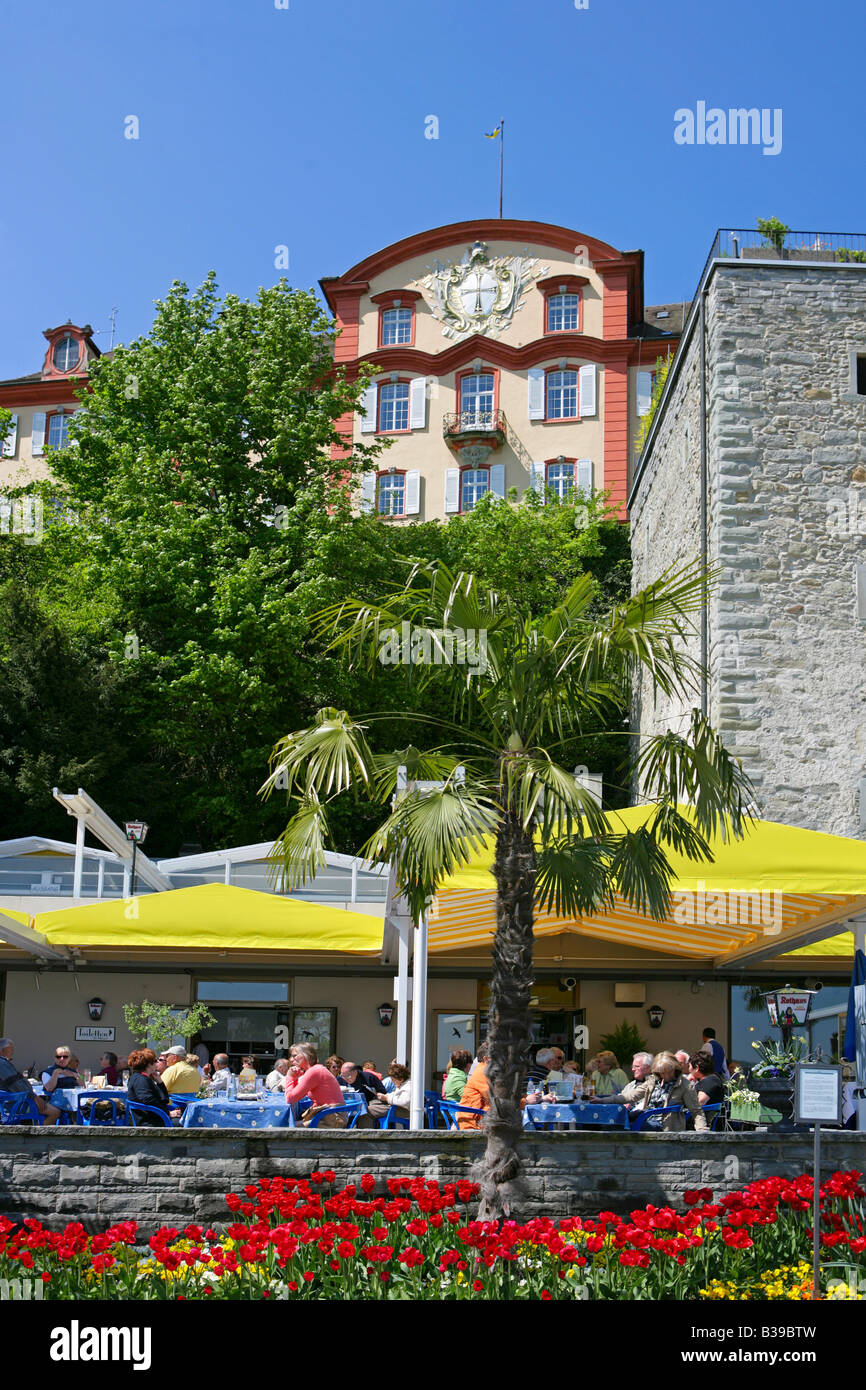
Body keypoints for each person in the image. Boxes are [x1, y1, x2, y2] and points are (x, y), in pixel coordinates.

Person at [634, 1052, 708, 1132]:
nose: (666, 1076)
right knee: (623, 1122)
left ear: (675, 1068)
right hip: (646, 1120)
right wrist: (619, 1098)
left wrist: (702, 1131)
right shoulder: (653, 1081)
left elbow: (696, 1111)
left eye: (669, 1072)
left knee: (628, 1126)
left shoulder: (684, 1085)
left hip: (664, 1126)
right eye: (662, 1073)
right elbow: (632, 1095)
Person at [284, 1043, 346, 1126]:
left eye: (294, 1055)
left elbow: (290, 1098)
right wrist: (294, 1079)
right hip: (330, 1116)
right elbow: (294, 1096)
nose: (291, 1059)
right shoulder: (316, 1069)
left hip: (332, 1120)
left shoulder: (314, 1072)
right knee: (291, 1123)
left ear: (307, 1055)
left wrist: (290, 1077)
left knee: (285, 1124)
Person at [0, 1037, 61, 1122]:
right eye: (11, 1049)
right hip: (13, 1105)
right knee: (55, 1112)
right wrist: (33, 1097)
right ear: (3, 1050)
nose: (12, 1051)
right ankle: (41, 1134)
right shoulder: (2, 1064)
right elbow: (16, 1085)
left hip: (12, 1103)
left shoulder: (4, 1063)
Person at [126, 1049, 182, 1122]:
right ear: (149, 1064)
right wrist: (168, 1113)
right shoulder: (141, 1080)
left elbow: (164, 1100)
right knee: (186, 1123)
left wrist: (160, 1082)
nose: (157, 1063)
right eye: (155, 1061)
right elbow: (148, 1100)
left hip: (155, 1117)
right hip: (151, 1120)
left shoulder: (143, 1078)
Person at [456, 1045, 489, 1130]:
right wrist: (524, 1101)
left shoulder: (480, 1070)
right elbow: (495, 1098)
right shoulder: (483, 1073)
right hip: (473, 1123)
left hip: (471, 1119)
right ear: (486, 1059)